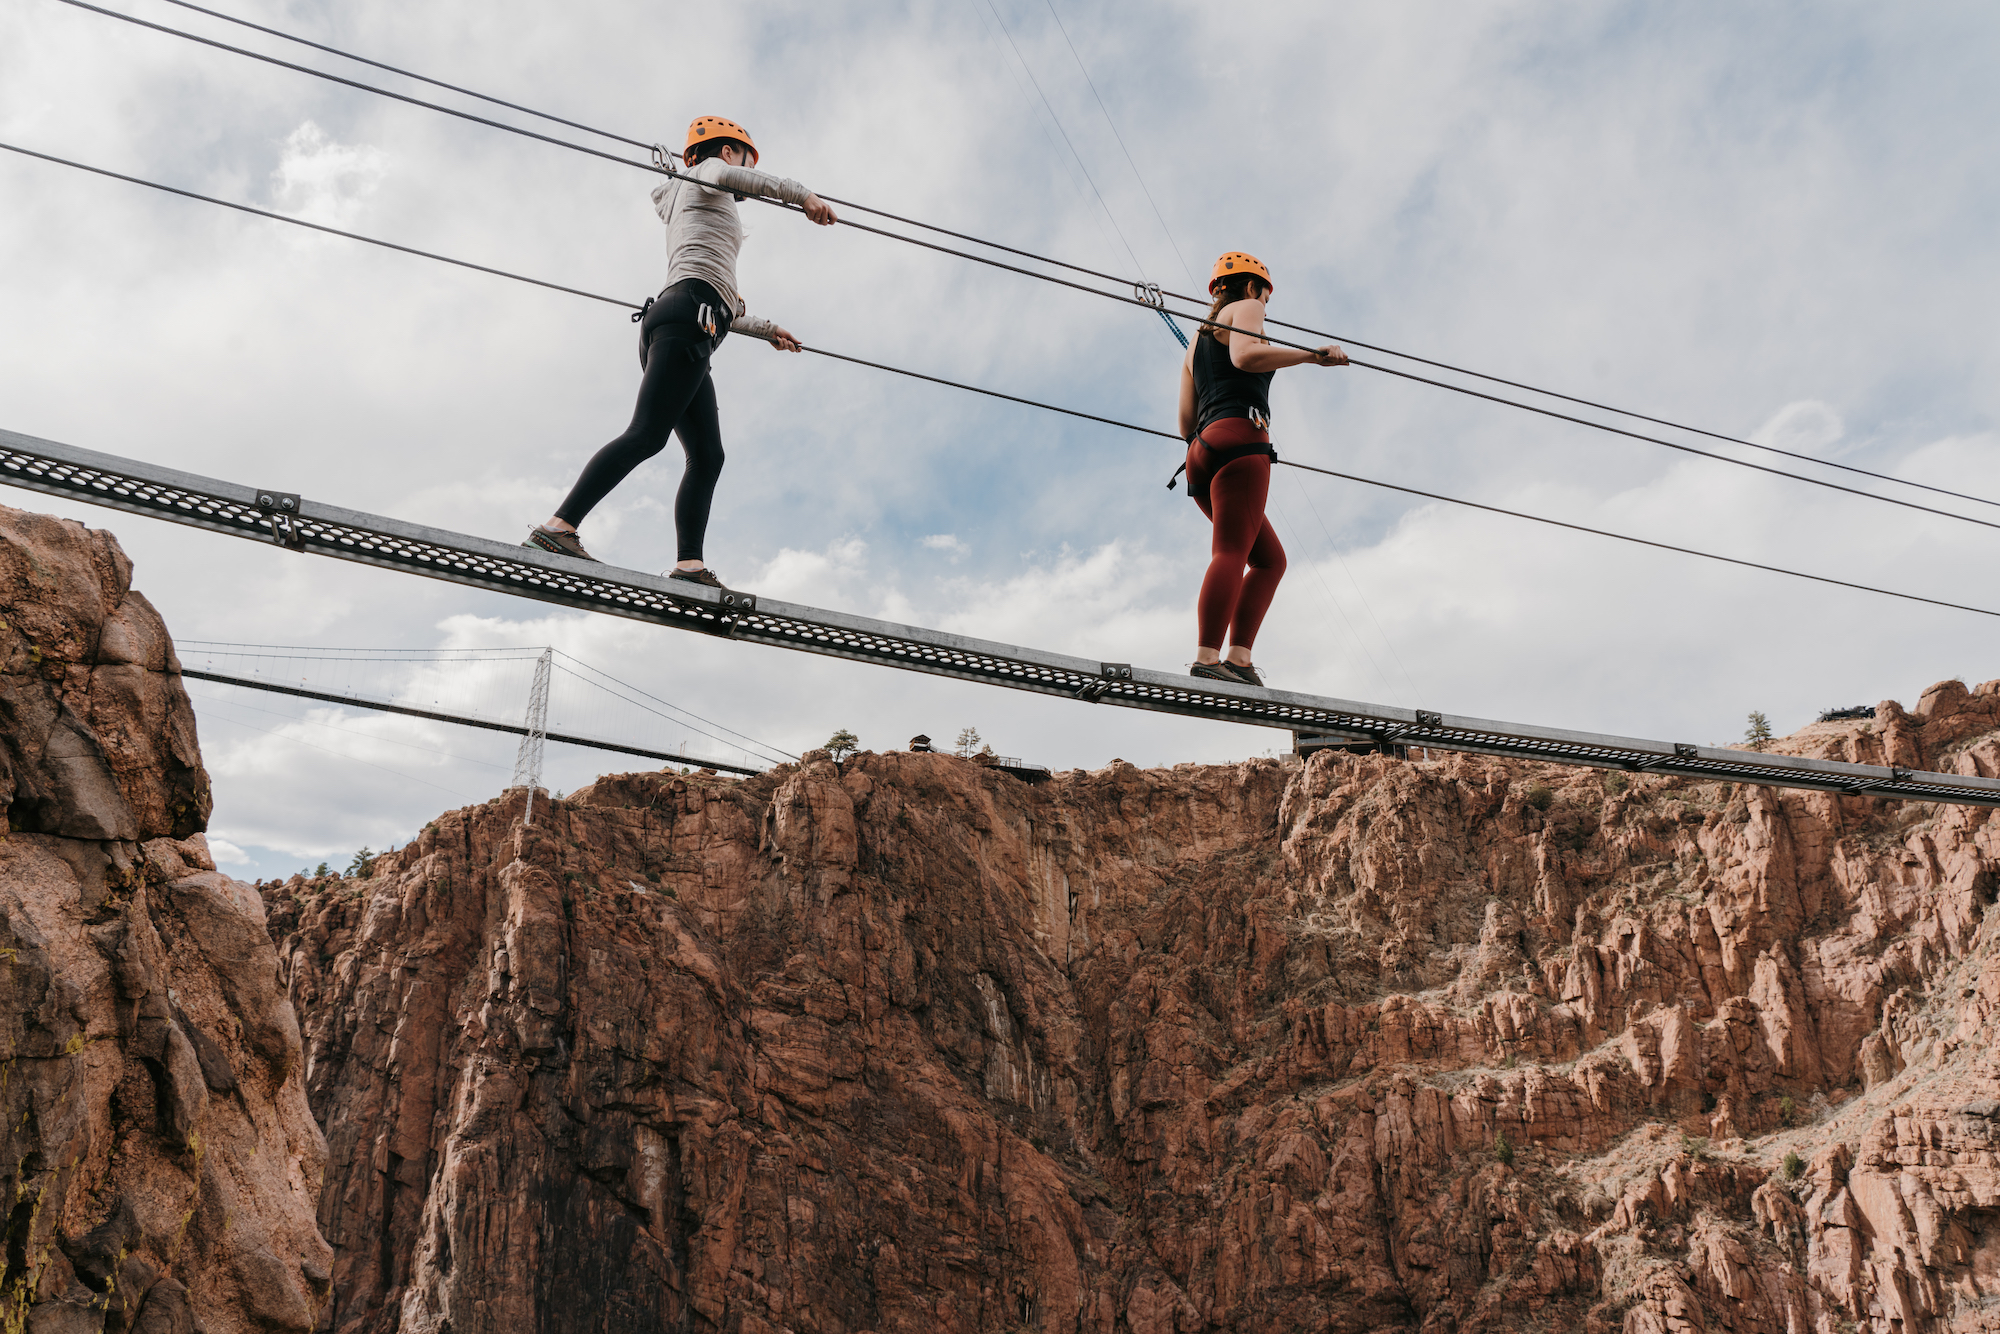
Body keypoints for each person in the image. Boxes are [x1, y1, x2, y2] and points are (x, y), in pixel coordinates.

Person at [524, 116, 836, 588]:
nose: (746, 174)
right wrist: (803, 195)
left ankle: (690, 567)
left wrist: (766, 329)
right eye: (747, 159)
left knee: (708, 456)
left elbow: (719, 300)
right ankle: (557, 528)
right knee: (648, 435)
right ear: (727, 151)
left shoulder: (695, 202)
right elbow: (735, 198)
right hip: (690, 314)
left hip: (688, 319)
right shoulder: (708, 171)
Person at [1176, 252, 1346, 685]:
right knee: (1231, 552)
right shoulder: (1246, 308)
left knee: (1269, 561)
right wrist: (1312, 356)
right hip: (1241, 438)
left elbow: (1183, 422)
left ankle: (1240, 659)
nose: (1264, 308)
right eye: (1266, 296)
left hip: (1201, 453)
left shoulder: (1195, 341)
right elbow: (1247, 356)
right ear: (1253, 287)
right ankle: (1208, 658)